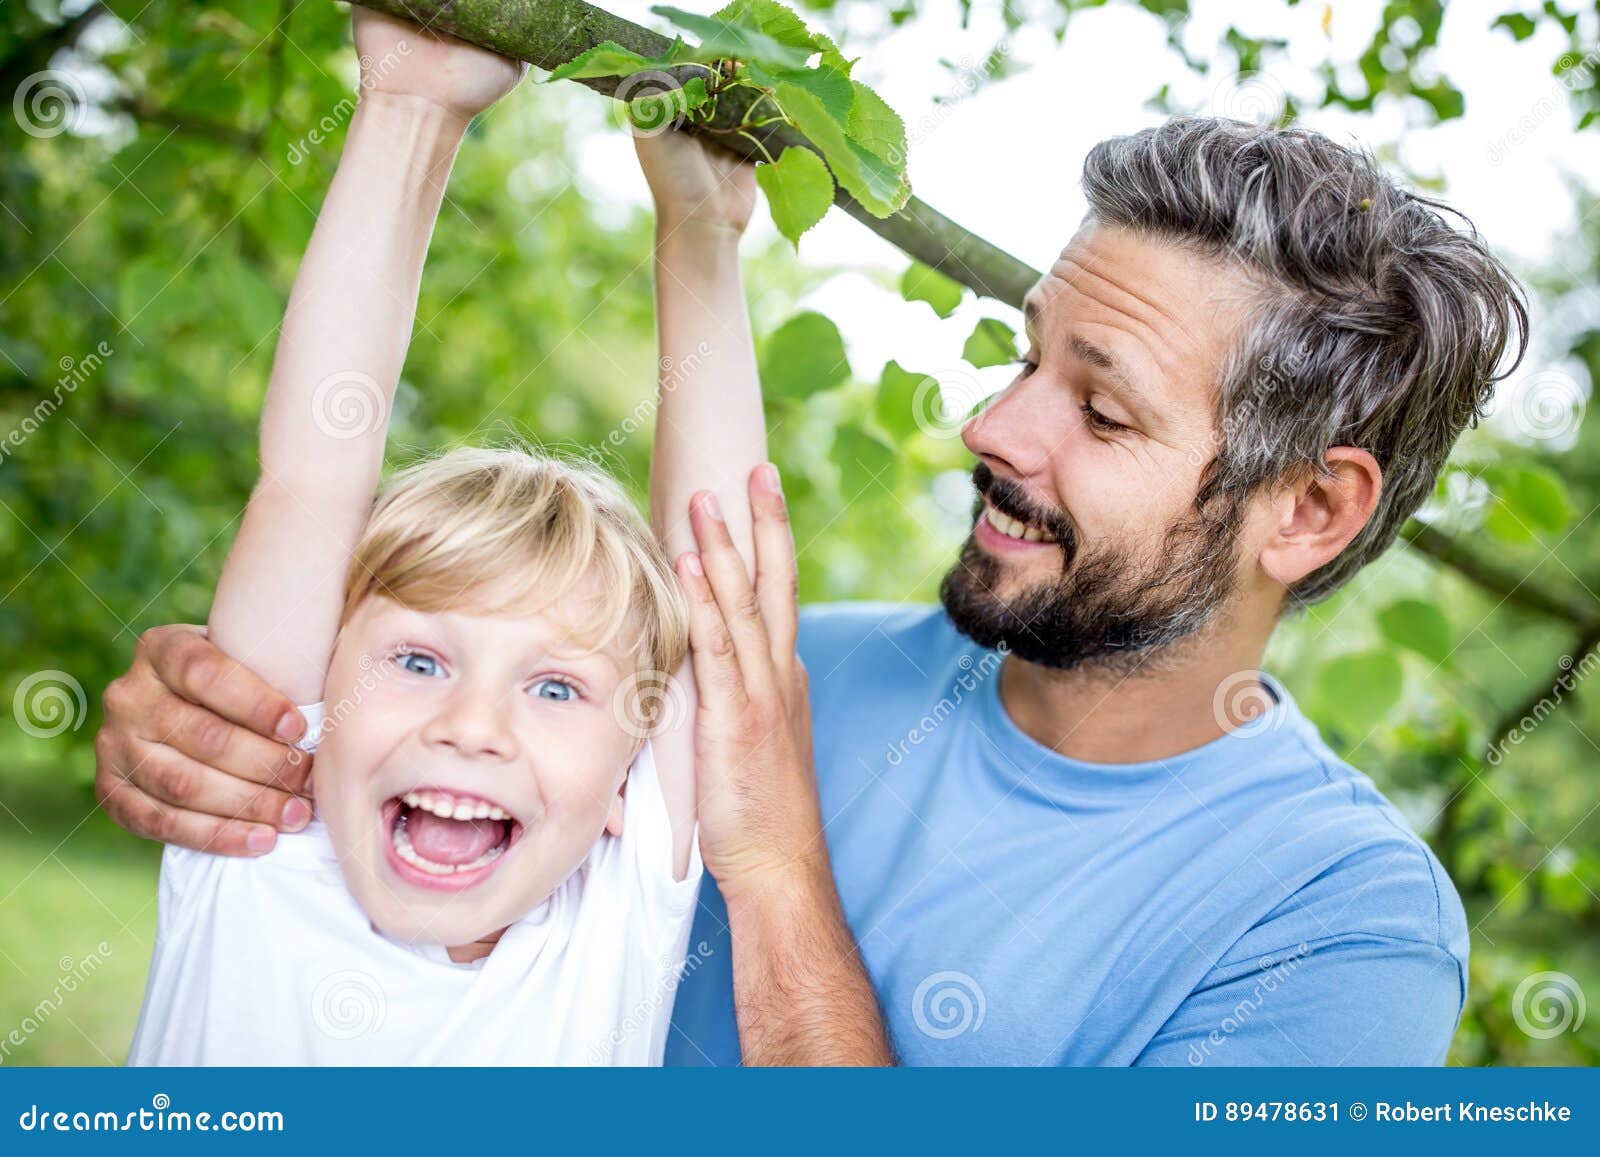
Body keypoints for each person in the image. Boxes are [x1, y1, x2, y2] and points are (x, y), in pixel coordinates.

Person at [97, 51, 1527, 1061]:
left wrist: (775, 857)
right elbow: (337, 504)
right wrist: (216, 721)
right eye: (1025, 357)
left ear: (1310, 510)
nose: (991, 425)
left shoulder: (1336, 924)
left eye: (1100, 410)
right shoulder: (763, 670)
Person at [124, 9, 838, 1065]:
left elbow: (719, 601)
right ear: (326, 685)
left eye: (556, 688)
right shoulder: (267, 828)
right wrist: (411, 104)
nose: (471, 726)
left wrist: (704, 225)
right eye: (417, 660)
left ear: (627, 776)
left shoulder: (612, 917)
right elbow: (314, 479)